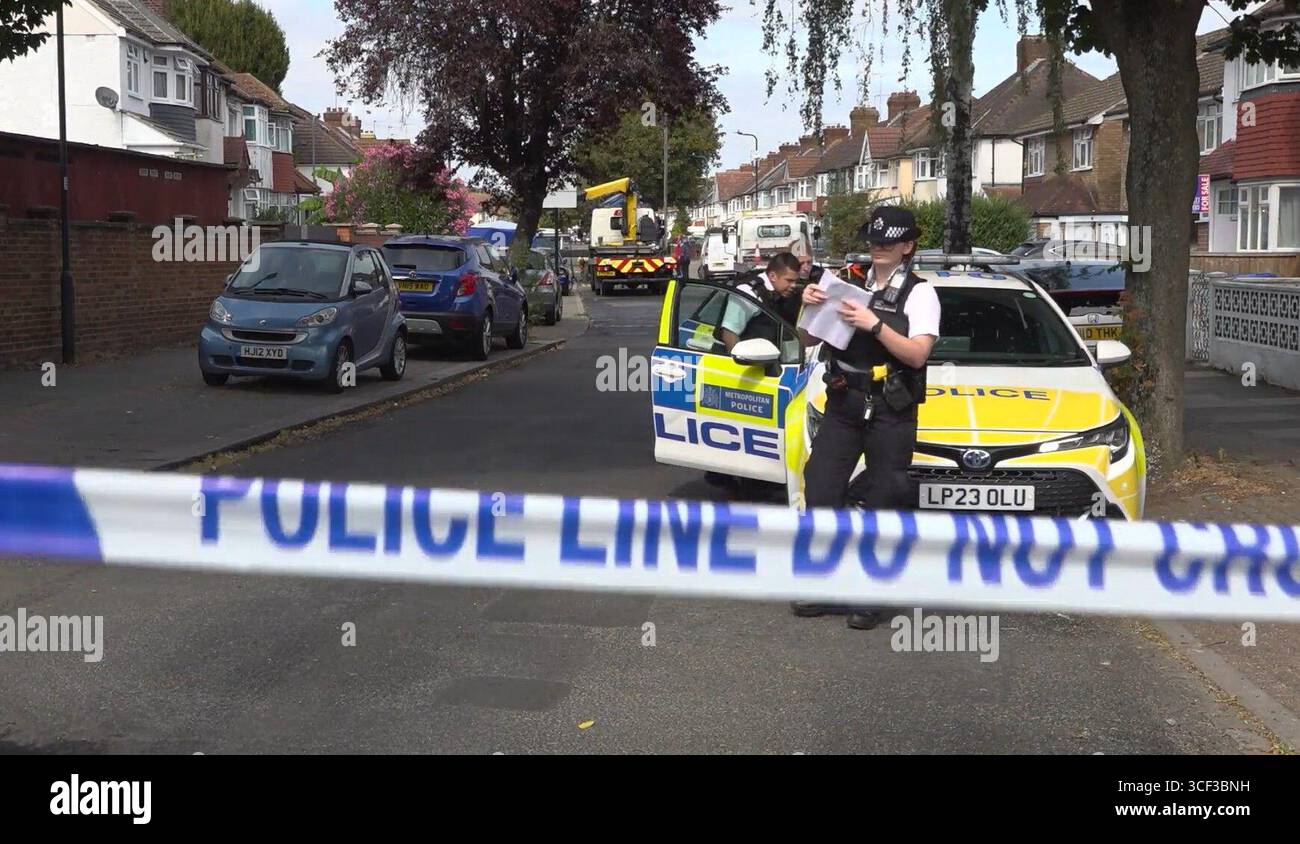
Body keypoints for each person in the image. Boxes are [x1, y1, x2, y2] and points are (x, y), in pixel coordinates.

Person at [793, 206, 941, 630]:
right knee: (820, 487)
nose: (877, 249)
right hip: (844, 400)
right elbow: (808, 338)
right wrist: (808, 307)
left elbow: (917, 354)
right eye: (873, 241)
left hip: (891, 408)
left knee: (883, 499)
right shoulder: (849, 283)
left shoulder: (920, 293)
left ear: (907, 247)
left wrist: (874, 325)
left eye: (887, 243)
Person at [716, 252, 804, 352]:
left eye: (796, 281)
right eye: (789, 280)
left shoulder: (785, 294)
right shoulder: (749, 292)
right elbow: (729, 334)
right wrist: (741, 361)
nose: (794, 286)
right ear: (772, 276)